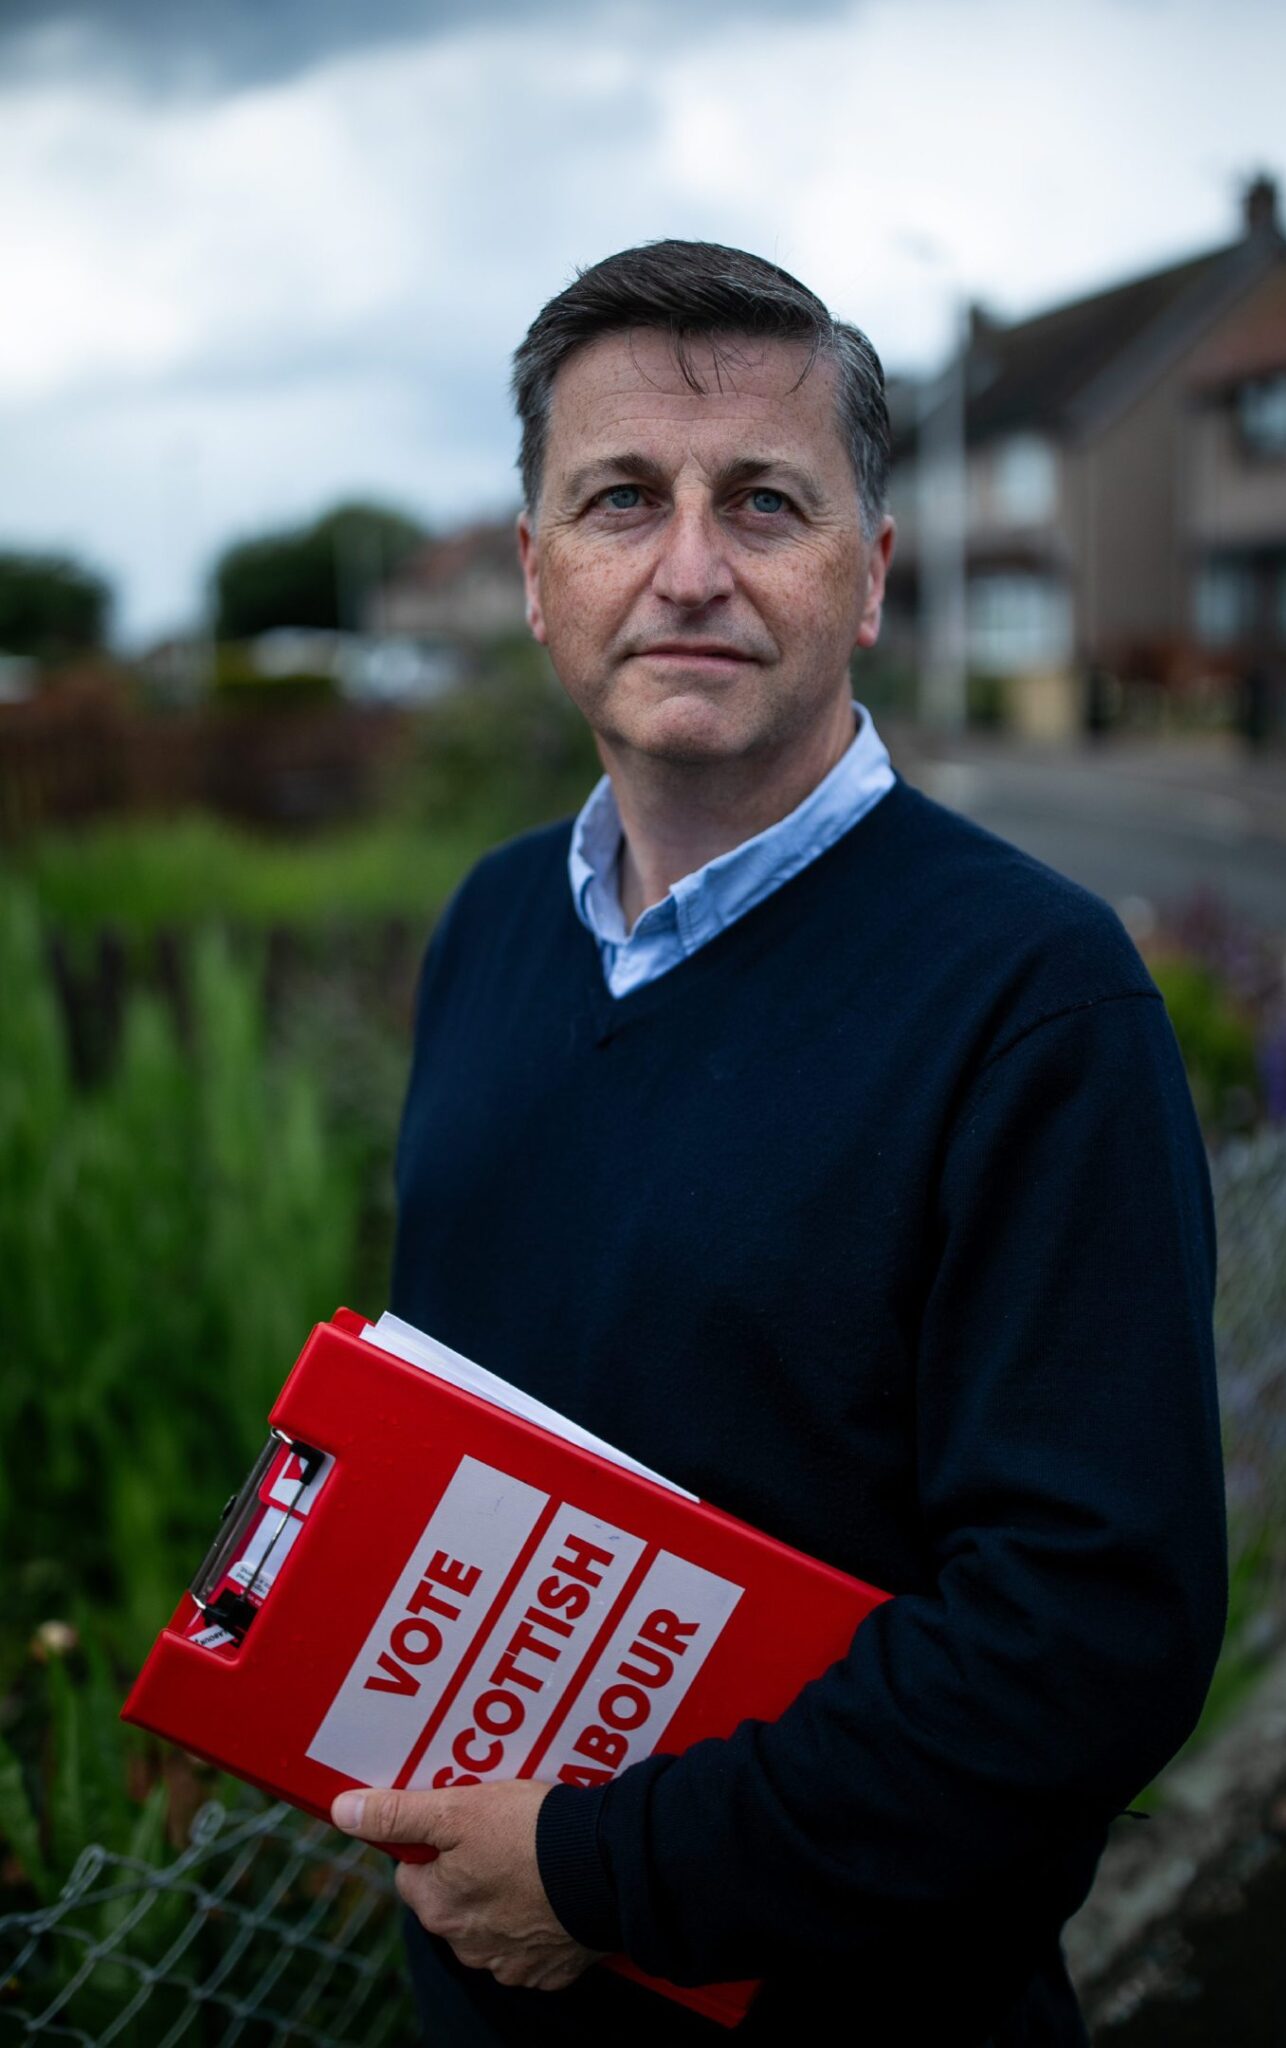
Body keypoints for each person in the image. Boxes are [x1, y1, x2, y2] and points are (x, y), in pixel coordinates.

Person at [331, 241, 1227, 2046]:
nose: (688, 569)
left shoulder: (1032, 999)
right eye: (617, 500)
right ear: (532, 570)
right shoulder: (493, 927)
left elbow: (1082, 1644)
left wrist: (599, 1872)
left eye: (762, 501)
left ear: (871, 574)